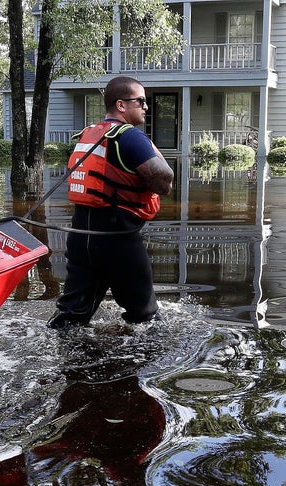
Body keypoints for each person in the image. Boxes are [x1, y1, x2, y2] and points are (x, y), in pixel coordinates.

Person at [49, 76, 174, 329]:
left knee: (72, 317)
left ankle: (64, 363)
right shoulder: (131, 137)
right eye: (140, 100)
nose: (146, 106)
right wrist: (152, 148)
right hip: (118, 240)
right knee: (146, 319)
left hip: (81, 237)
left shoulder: (88, 135)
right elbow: (164, 182)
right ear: (121, 105)